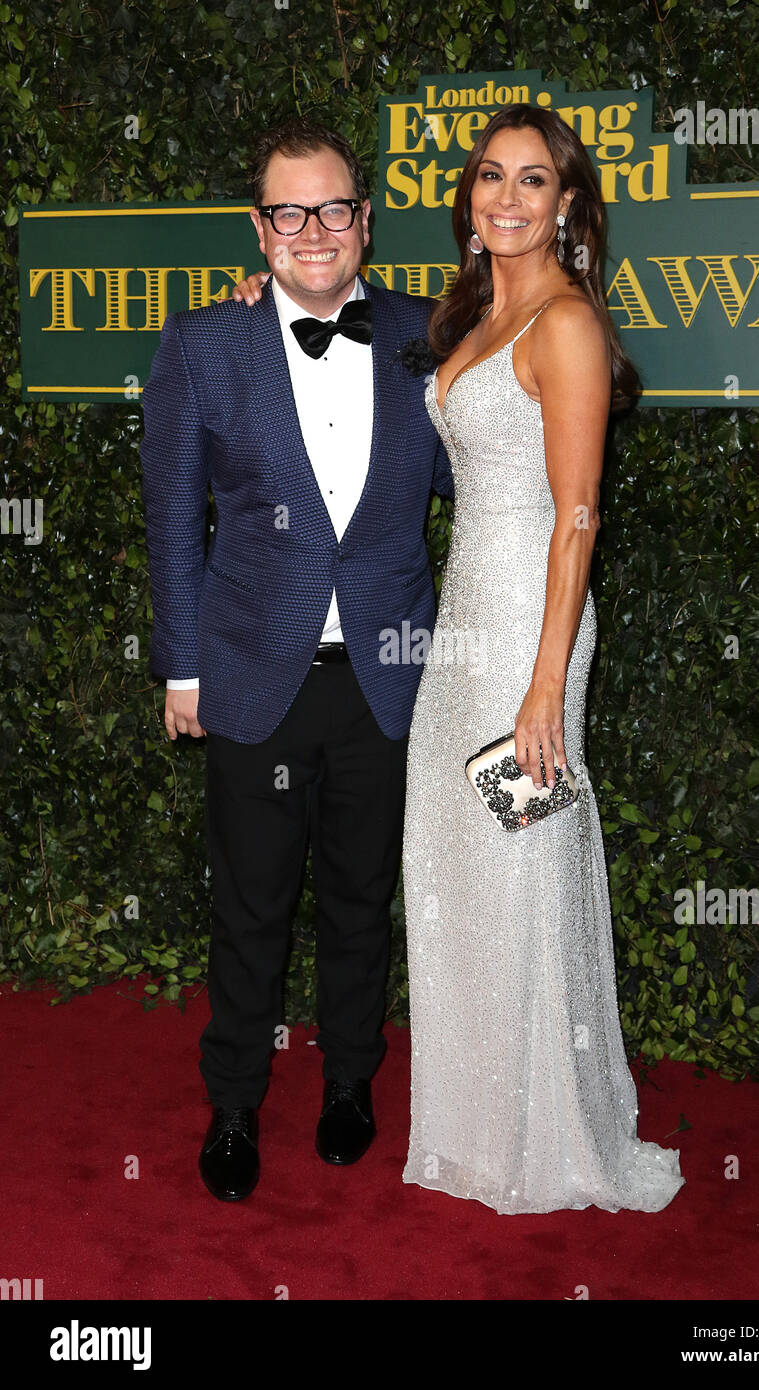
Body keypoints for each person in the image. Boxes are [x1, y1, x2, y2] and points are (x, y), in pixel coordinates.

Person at [140, 119, 453, 1201]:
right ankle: (233, 1104)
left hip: (385, 678)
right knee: (250, 906)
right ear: (259, 228)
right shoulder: (200, 343)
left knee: (364, 899)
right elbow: (173, 518)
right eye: (289, 212)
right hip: (249, 675)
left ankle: (350, 1085)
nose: (313, 231)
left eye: (333, 210)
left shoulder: (428, 333)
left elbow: (493, 475)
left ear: (363, 221)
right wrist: (181, 667)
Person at [399, 104, 686, 1214]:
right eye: (489, 178)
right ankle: (476, 1118)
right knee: (459, 863)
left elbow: (577, 516)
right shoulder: (472, 315)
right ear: (468, 199)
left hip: (531, 626)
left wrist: (541, 683)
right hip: (466, 619)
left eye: (532, 181)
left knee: (521, 868)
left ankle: (542, 1135)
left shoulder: (562, 324)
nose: (505, 198)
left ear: (566, 205)